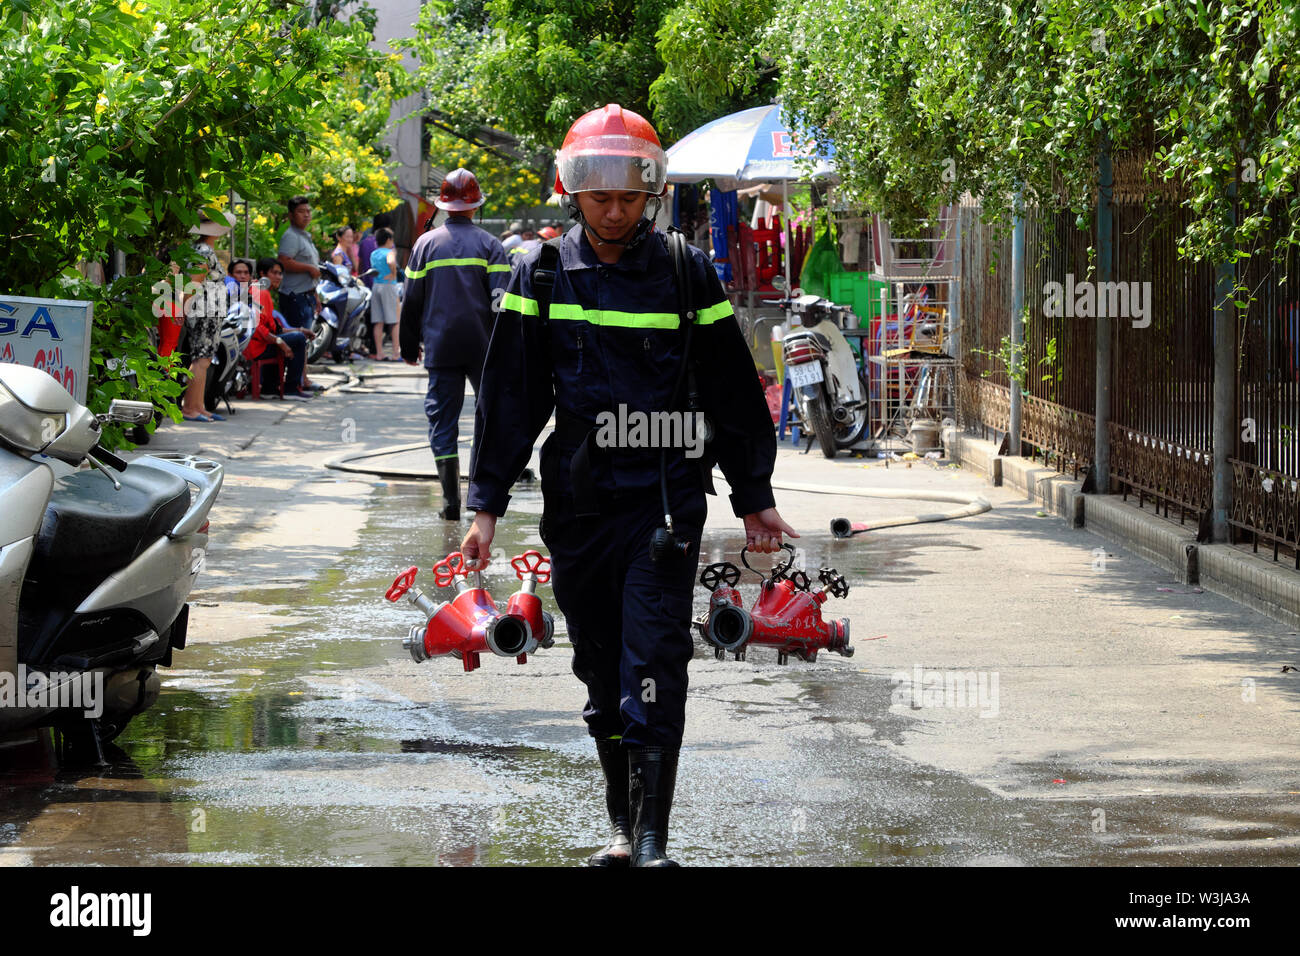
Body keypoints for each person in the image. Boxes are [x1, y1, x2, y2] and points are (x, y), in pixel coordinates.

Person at [458, 104, 796, 867]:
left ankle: (651, 841)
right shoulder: (539, 274)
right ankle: (622, 823)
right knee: (602, 669)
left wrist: (754, 497)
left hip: (664, 505)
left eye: (629, 197)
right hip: (579, 513)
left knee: (654, 664)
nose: (615, 211)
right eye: (599, 196)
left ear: (652, 193)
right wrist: (485, 507)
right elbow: (511, 399)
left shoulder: (685, 271)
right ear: (571, 191)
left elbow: (732, 394)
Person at [398, 168, 511, 519]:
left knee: (442, 421)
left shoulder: (425, 244)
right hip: (483, 347)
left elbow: (412, 300)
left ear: (443, 205)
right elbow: (502, 303)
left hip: (441, 346)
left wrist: (407, 345)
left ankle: (450, 503)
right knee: (489, 418)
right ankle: (481, 498)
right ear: (475, 206)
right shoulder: (491, 245)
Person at [180, 211, 235, 422]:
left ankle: (198, 405)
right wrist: (184, 306)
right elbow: (194, 282)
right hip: (205, 311)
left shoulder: (202, 249)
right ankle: (190, 408)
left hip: (209, 310)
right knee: (201, 359)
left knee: (204, 358)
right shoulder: (203, 251)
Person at [276, 196, 326, 393]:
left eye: (308, 211)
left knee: (304, 340)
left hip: (306, 295)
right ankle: (295, 382)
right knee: (299, 338)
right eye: (301, 211)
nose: (306, 215)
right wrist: (308, 268)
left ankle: (303, 379)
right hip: (293, 296)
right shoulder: (290, 236)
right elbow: (283, 261)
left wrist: (315, 296)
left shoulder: (304, 236)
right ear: (290, 215)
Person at [245, 257, 313, 400]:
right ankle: (291, 389)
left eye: (280, 273)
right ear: (263, 274)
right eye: (274, 273)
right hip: (255, 346)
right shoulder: (259, 292)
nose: (278, 277)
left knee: (297, 336)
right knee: (298, 340)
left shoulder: (262, 291)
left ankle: (270, 388)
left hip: (261, 343)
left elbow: (276, 329)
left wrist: (300, 330)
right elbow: (257, 327)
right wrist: (281, 343)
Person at [368, 227, 401, 361]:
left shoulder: (374, 253)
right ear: (388, 240)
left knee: (378, 321)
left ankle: (380, 353)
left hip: (376, 286)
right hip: (389, 286)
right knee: (394, 321)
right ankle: (395, 353)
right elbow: (390, 262)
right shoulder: (390, 252)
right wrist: (393, 273)